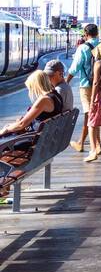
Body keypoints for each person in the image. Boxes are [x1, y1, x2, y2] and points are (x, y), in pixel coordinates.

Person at [0, 69, 64, 199]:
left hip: (35, 144)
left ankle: (3, 186)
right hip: (45, 142)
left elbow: (22, 124)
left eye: (31, 88)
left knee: (3, 144)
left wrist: (6, 129)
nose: (31, 92)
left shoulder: (43, 100)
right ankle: (4, 186)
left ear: (37, 85)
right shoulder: (56, 96)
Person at [66, 22, 99, 152]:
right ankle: (97, 144)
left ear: (86, 34)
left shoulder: (84, 48)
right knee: (95, 112)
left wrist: (66, 82)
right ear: (97, 33)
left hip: (87, 85)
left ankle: (82, 143)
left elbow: (75, 68)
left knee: (89, 114)